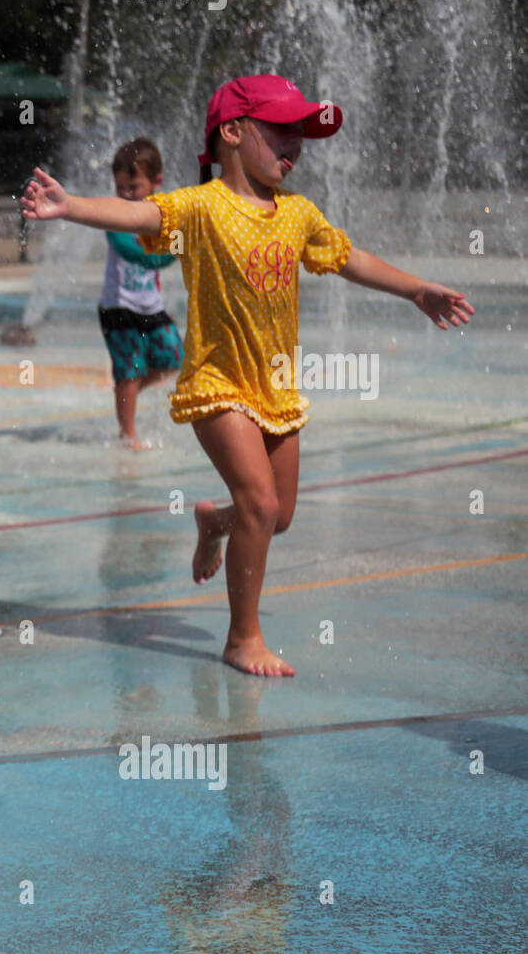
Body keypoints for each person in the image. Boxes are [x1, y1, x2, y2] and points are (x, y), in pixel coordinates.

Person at [23, 74, 473, 678]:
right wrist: (70, 205)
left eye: (302, 136)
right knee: (259, 501)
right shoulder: (200, 207)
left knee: (277, 515)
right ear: (232, 132)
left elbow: (351, 258)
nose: (295, 145)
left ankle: (215, 523)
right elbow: (137, 213)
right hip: (218, 383)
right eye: (282, 130)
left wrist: (416, 288)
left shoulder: (297, 213)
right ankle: (242, 638)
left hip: (277, 386)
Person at [99, 138, 184, 448]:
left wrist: (182, 242)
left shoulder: (161, 213)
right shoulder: (115, 215)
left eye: (132, 187)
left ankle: (127, 389)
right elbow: (130, 251)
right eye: (120, 186)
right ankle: (128, 433)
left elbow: (177, 238)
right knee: (131, 371)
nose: (125, 194)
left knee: (175, 358)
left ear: (155, 183)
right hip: (118, 307)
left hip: (150, 306)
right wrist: (172, 252)